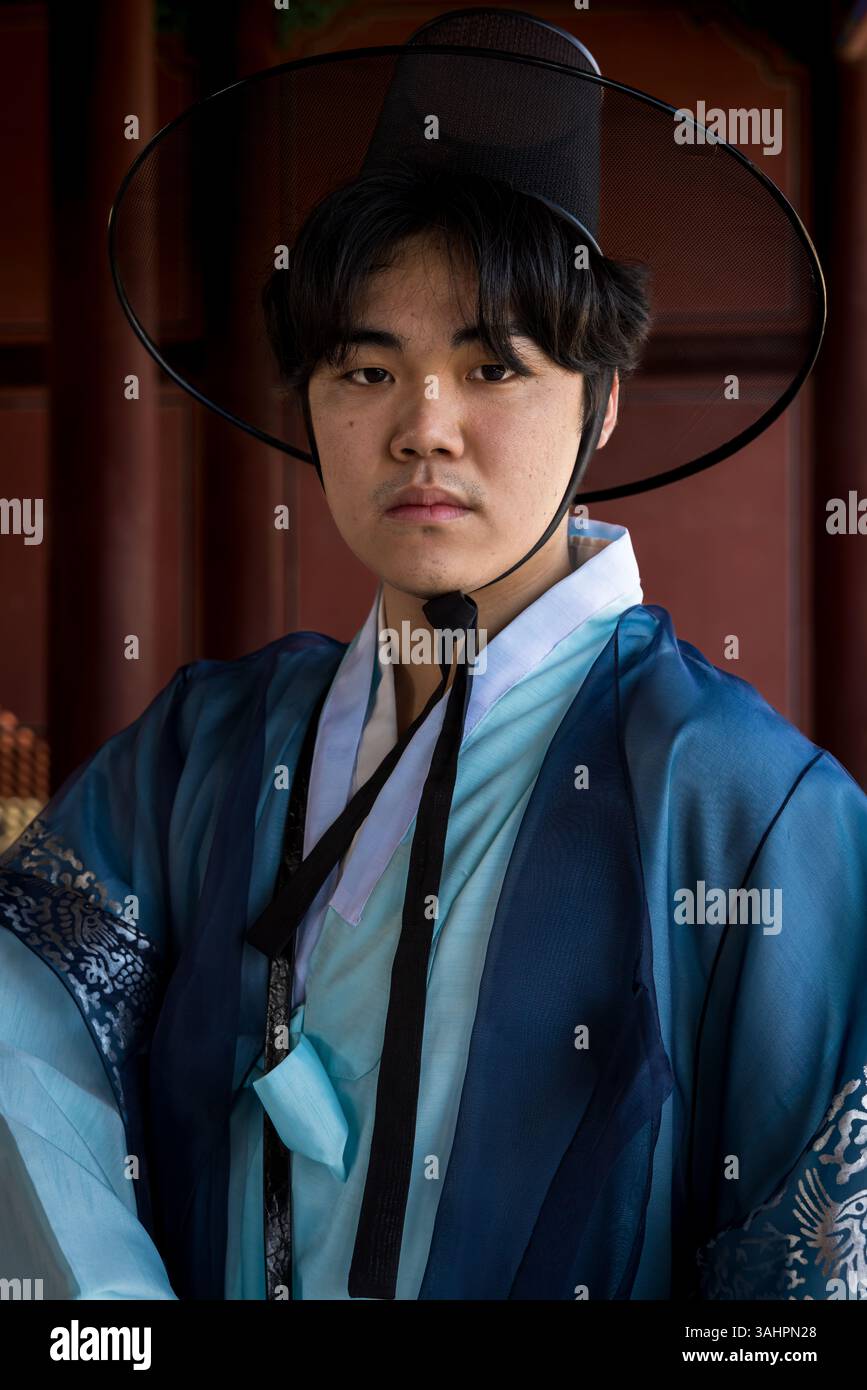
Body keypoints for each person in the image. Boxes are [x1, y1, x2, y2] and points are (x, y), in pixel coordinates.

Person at [2, 9, 863, 1303]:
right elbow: (25, 1019)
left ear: (603, 400)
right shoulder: (208, 744)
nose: (423, 427)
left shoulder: (745, 805)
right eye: (364, 367)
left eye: (493, 365)